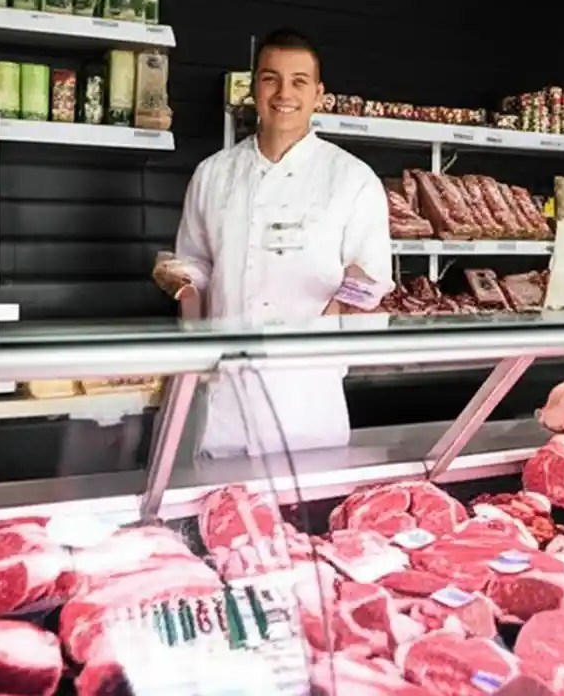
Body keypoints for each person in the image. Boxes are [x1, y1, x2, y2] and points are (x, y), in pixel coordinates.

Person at [158, 28, 392, 458]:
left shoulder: (352, 178)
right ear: (253, 88)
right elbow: (195, 266)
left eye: (299, 81)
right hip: (224, 392)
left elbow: (372, 281)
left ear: (319, 93)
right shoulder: (212, 174)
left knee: (306, 522)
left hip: (307, 396)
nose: (284, 93)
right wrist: (186, 308)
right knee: (223, 513)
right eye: (270, 78)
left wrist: (332, 317)